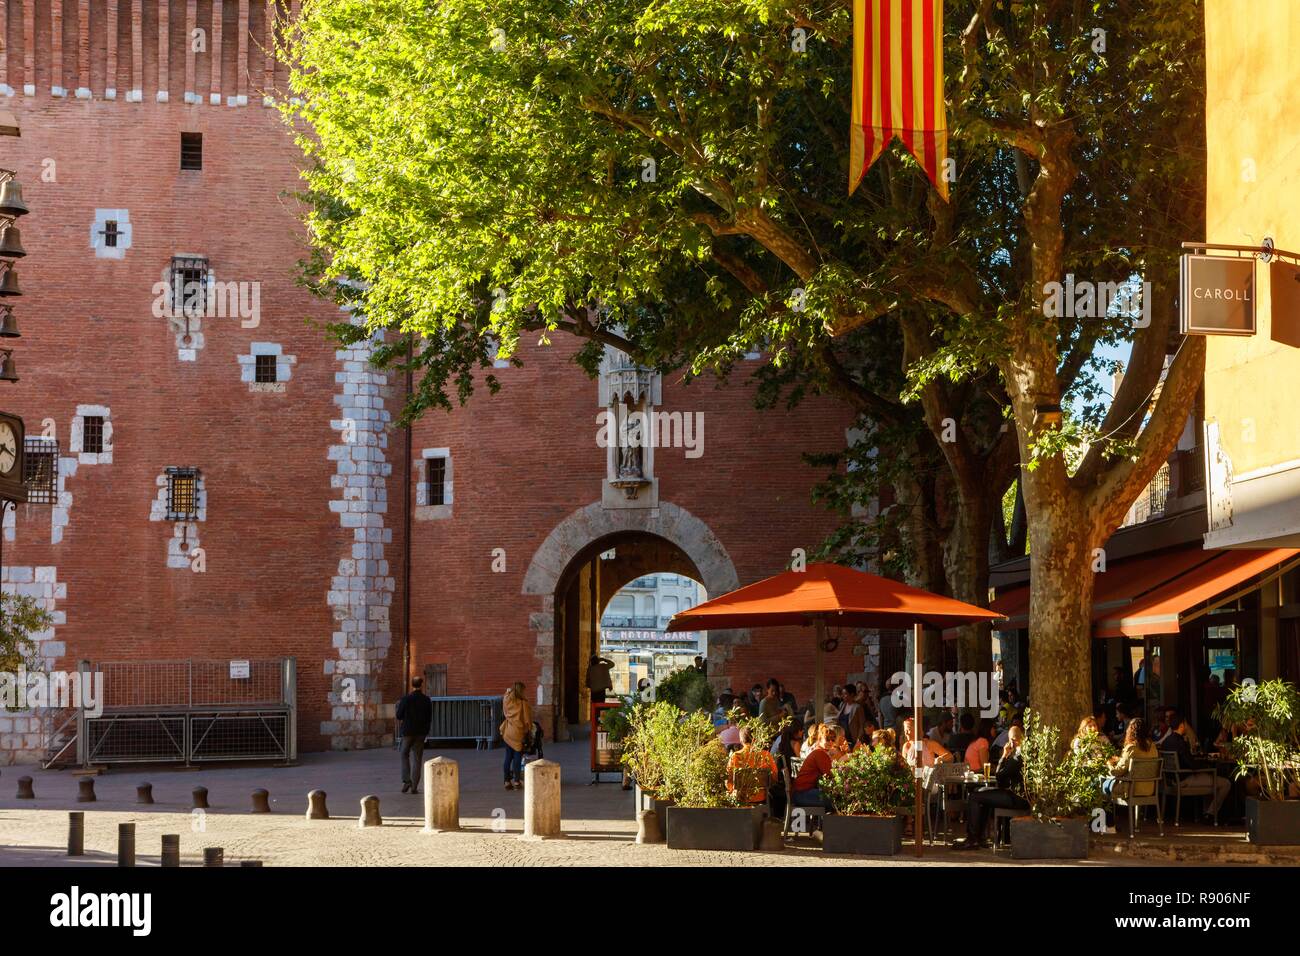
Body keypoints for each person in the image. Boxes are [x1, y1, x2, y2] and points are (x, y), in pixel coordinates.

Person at [954, 725, 1028, 849]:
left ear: (1019, 739)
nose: (1011, 743)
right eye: (1010, 740)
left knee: (974, 796)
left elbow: (999, 776)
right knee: (980, 791)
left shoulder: (1018, 756)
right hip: (1018, 795)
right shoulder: (1022, 754)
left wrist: (1004, 756)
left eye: (1013, 739)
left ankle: (973, 838)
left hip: (1016, 798)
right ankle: (980, 837)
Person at [1159, 710, 1230, 822]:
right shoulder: (1181, 742)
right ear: (1182, 725)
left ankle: (1206, 813)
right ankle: (1210, 814)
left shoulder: (1166, 742)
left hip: (1172, 780)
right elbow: (1192, 765)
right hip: (1185, 779)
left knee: (1209, 779)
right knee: (1225, 783)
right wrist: (1206, 764)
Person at [395, 676, 433, 794]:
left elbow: (399, 715)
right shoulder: (426, 700)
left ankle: (406, 780)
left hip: (407, 732)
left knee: (404, 754)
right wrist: (425, 730)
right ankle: (415, 786)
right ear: (422, 685)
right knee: (417, 758)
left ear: (412, 685)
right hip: (421, 732)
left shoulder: (406, 699)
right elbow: (429, 717)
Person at [726, 727, 778, 804]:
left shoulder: (736, 756)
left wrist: (731, 792)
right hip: (761, 798)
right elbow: (774, 777)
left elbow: (729, 779)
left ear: (741, 741)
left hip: (740, 799)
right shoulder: (766, 755)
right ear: (755, 739)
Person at [791, 726, 835, 810]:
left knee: (835, 796)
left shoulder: (820, 751)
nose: (830, 742)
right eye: (827, 739)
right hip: (802, 793)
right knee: (836, 799)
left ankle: (826, 821)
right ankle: (830, 822)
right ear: (820, 739)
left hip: (800, 792)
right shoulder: (820, 753)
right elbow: (831, 774)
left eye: (833, 740)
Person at [500, 681, 533, 790]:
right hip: (518, 732)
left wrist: (508, 691)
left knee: (508, 757)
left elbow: (506, 694)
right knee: (517, 757)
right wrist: (529, 730)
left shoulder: (507, 700)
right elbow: (527, 720)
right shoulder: (523, 703)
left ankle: (506, 781)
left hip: (508, 731)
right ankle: (517, 781)